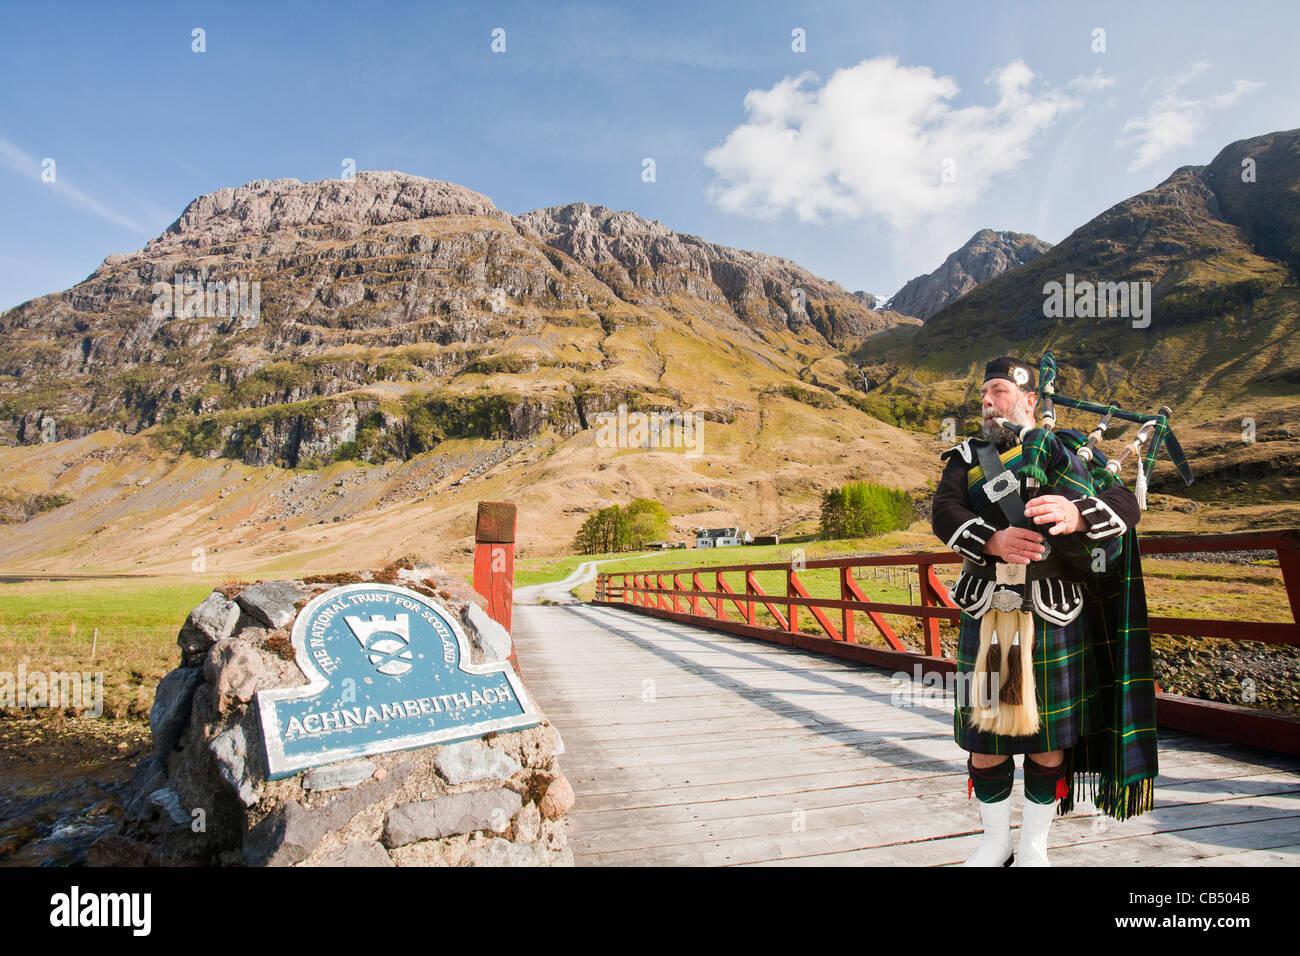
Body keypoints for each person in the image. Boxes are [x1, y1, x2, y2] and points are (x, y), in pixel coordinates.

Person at [931, 356, 1158, 866]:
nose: (988, 402)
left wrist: (1078, 514)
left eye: (998, 391)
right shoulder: (967, 456)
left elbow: (1125, 501)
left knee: (1045, 738)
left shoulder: (1073, 451)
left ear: (1030, 398)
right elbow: (945, 510)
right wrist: (993, 539)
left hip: (1052, 611)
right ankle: (995, 843)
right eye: (983, 394)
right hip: (990, 609)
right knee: (984, 737)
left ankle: (1035, 846)